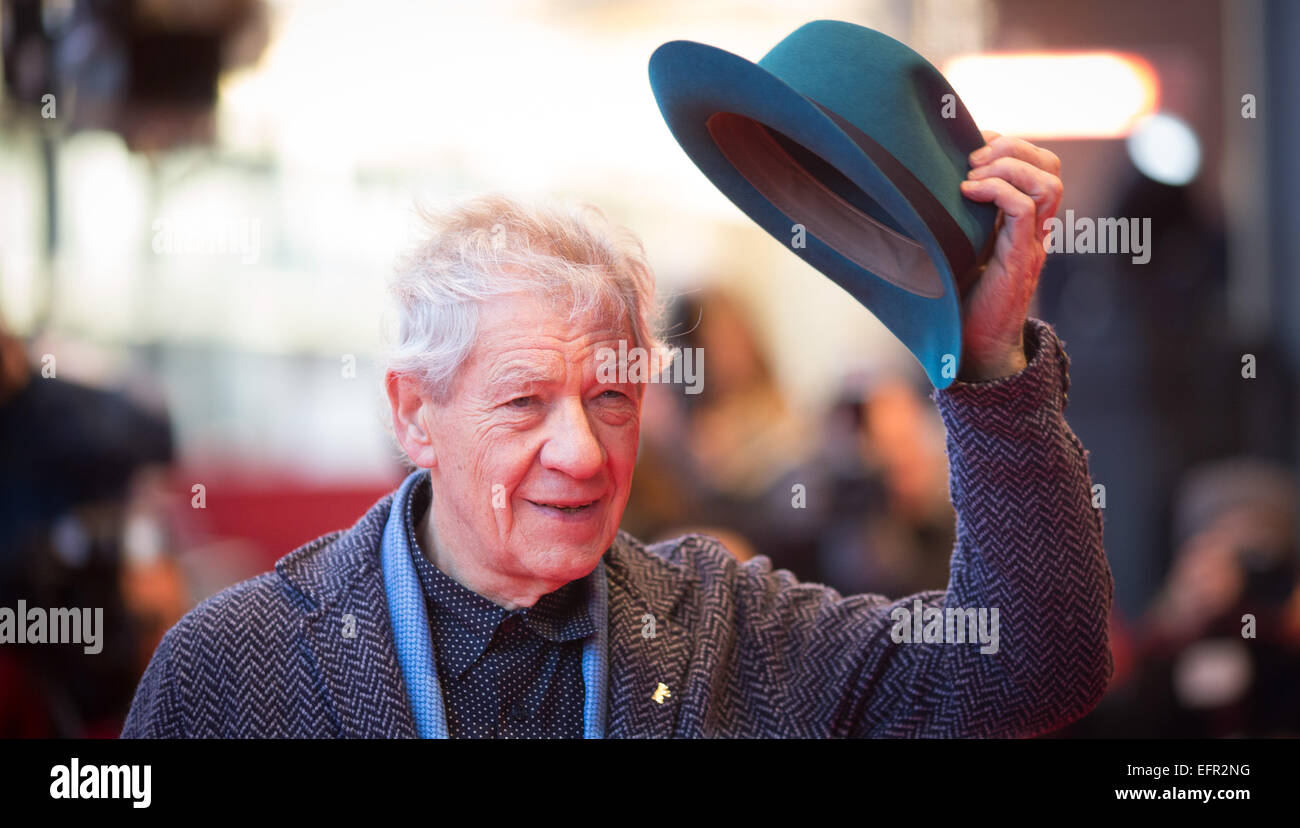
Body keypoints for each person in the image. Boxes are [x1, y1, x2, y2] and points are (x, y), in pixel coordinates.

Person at [122, 133, 1114, 738]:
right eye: (523, 404)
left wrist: (989, 368)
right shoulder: (234, 666)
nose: (584, 455)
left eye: (611, 399)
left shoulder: (734, 634)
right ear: (412, 412)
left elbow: (1034, 667)